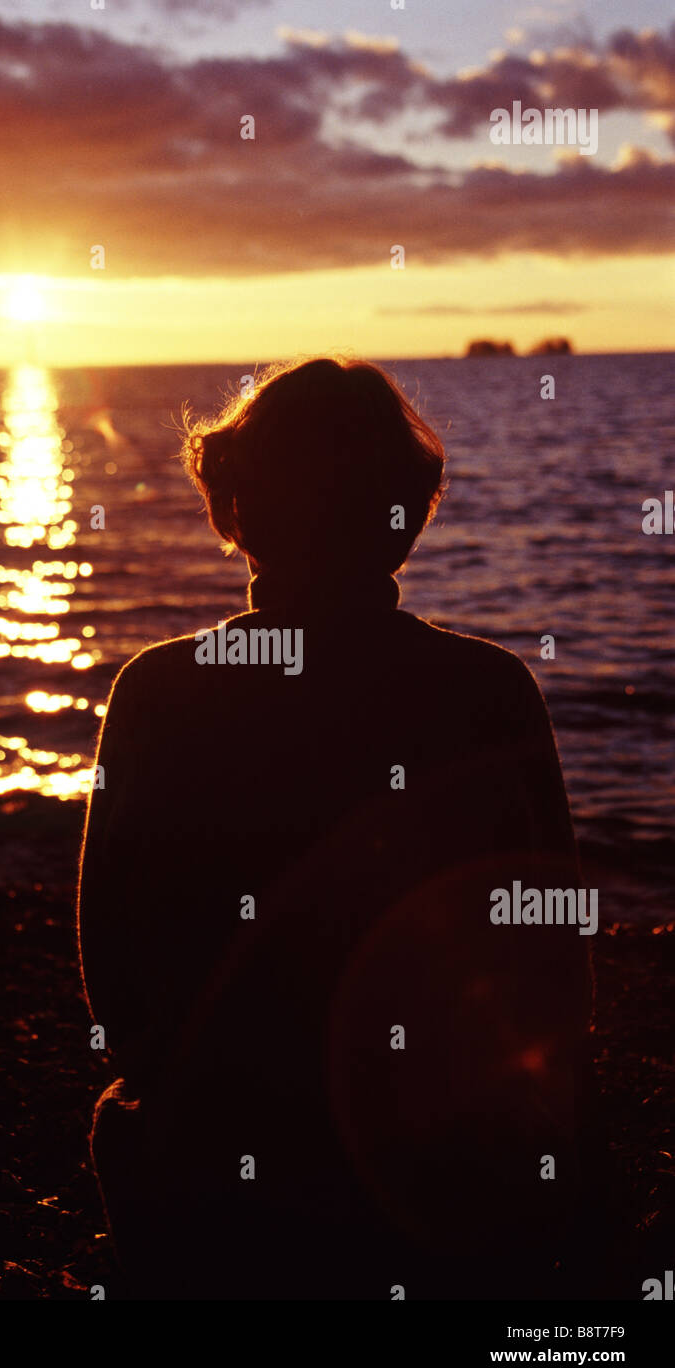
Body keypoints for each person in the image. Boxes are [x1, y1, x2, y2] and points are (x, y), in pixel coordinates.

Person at [77, 355, 604, 1300]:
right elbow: (555, 960)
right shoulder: (487, 690)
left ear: (234, 506)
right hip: (441, 1181)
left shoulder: (156, 691)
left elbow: (112, 962)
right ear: (405, 513)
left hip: (211, 1186)